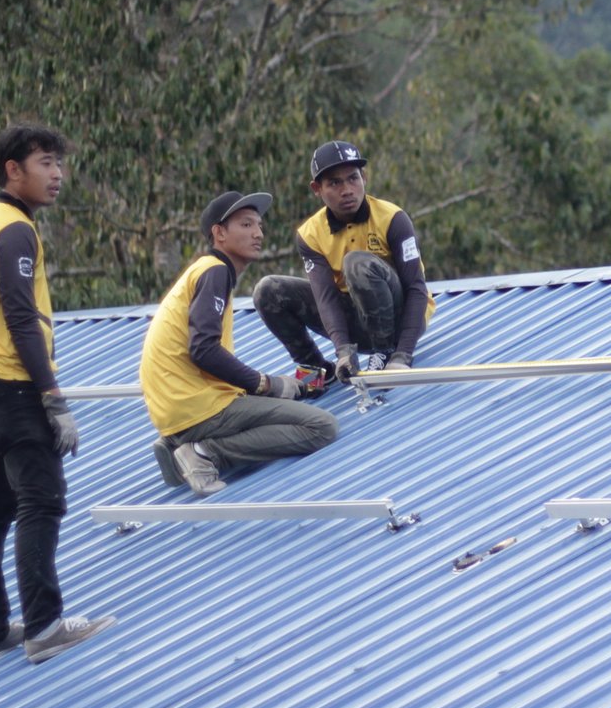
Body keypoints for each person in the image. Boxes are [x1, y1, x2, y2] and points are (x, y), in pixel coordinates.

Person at [0, 123, 115, 666]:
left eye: (59, 164)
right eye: (46, 163)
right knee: (42, 501)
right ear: (13, 170)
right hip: (13, 385)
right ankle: (44, 628)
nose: (58, 174)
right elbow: (22, 318)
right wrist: (53, 398)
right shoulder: (16, 230)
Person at [141, 190, 339, 497]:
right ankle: (204, 453)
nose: (258, 233)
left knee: (288, 393)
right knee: (322, 426)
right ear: (219, 233)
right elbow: (204, 349)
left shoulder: (205, 272)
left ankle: (176, 442)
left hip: (181, 407)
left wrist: (278, 385)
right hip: (197, 407)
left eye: (259, 225)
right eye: (246, 225)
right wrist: (265, 384)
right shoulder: (215, 272)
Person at [254, 140, 433, 388]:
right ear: (317, 188)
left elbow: (416, 288)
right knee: (268, 289)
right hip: (358, 321)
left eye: (353, 178)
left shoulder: (393, 218)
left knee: (356, 264)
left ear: (364, 178)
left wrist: (402, 355)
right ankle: (314, 371)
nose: (347, 189)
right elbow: (325, 298)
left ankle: (383, 353)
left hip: (400, 322)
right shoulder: (310, 234)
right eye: (334, 183)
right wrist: (343, 352)